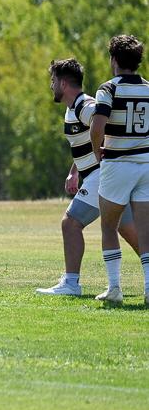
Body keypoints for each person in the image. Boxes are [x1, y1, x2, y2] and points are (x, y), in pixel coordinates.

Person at [37, 58, 139, 296]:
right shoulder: (73, 109)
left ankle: (71, 283)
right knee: (131, 231)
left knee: (71, 223)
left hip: (102, 175)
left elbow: (103, 124)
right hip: (99, 174)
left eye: (53, 81)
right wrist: (74, 171)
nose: (51, 86)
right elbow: (88, 138)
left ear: (63, 83)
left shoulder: (84, 105)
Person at [90, 35, 149, 306]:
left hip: (118, 164)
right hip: (146, 165)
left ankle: (114, 288)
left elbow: (97, 126)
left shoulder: (108, 89)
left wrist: (96, 151)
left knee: (108, 225)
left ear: (114, 60)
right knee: (145, 231)